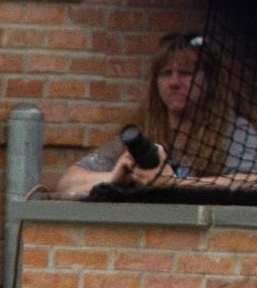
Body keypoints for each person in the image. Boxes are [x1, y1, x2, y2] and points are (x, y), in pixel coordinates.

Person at [55, 31, 257, 196]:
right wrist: (112, 178)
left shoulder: (233, 130)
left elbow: (251, 182)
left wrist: (176, 184)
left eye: (186, 73)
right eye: (166, 74)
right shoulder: (144, 133)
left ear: (209, 81)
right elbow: (67, 184)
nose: (174, 83)